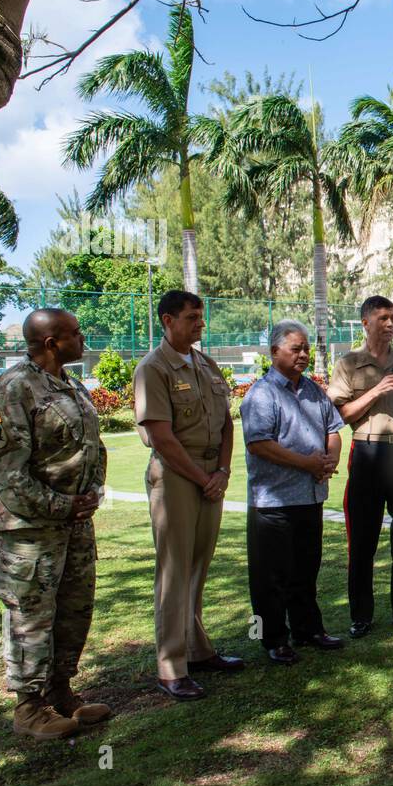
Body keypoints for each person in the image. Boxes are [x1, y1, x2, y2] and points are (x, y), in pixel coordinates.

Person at [0, 308, 111, 740]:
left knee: (73, 609)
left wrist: (88, 496)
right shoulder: (12, 390)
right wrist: (61, 505)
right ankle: (29, 707)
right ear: (51, 343)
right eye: (75, 333)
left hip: (71, 522)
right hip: (26, 532)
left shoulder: (70, 385)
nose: (83, 337)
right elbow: (5, 473)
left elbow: (91, 446)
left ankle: (60, 690)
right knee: (31, 617)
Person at [134, 290, 244, 701]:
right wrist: (203, 477)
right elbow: (161, 436)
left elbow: (227, 426)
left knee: (198, 566)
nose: (200, 323)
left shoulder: (205, 363)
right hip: (179, 477)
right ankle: (170, 667)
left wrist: (222, 471)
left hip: (209, 475)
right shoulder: (154, 368)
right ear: (168, 320)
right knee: (174, 571)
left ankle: (197, 650)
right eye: (192, 317)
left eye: (201, 316)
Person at [240, 321, 346, 665]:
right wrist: (306, 463)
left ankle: (308, 629)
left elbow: (333, 428)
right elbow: (259, 445)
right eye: (295, 349)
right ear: (274, 352)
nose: (302, 355)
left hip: (310, 497)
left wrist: (330, 459)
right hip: (274, 503)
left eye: (305, 349)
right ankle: (273, 639)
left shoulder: (314, 391)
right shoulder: (262, 394)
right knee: (272, 577)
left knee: (305, 570)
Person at [329, 295, 393, 637]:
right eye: (383, 318)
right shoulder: (348, 365)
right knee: (363, 538)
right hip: (368, 457)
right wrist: (376, 392)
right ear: (366, 322)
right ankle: (361, 617)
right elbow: (341, 414)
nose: (391, 324)